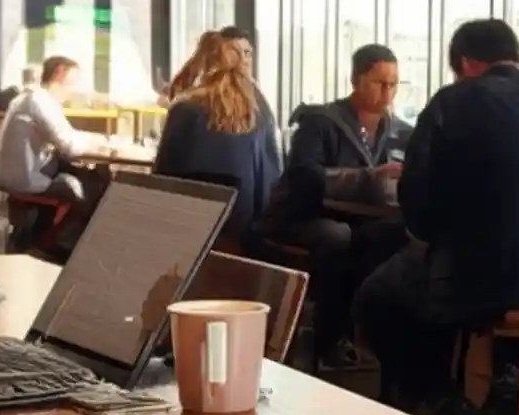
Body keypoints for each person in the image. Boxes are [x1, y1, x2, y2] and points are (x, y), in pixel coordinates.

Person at [353, 20, 519, 407]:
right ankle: (518, 407)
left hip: (484, 282)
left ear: (467, 63)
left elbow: (418, 209)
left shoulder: (452, 103)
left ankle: (439, 408)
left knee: (378, 299)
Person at [263, 44, 412, 367]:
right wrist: (369, 178)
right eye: (379, 82)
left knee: (391, 237)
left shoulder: (401, 133)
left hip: (364, 221)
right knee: (338, 237)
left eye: (394, 83)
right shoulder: (320, 122)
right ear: (356, 80)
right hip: (304, 215)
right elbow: (306, 176)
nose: (388, 92)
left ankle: (375, 338)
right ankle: (328, 338)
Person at [154, 33, 281, 252]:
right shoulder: (261, 111)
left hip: (190, 224)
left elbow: (163, 173)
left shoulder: (185, 107)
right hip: (246, 226)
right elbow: (273, 173)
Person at [0, 55, 107, 252]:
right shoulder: (40, 102)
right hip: (23, 179)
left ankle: (56, 240)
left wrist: (95, 140)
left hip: (12, 174)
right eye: (73, 81)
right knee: (86, 189)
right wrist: (102, 143)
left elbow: (66, 135)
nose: (74, 89)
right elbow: (70, 145)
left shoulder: (27, 99)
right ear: (59, 72)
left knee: (84, 178)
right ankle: (62, 245)